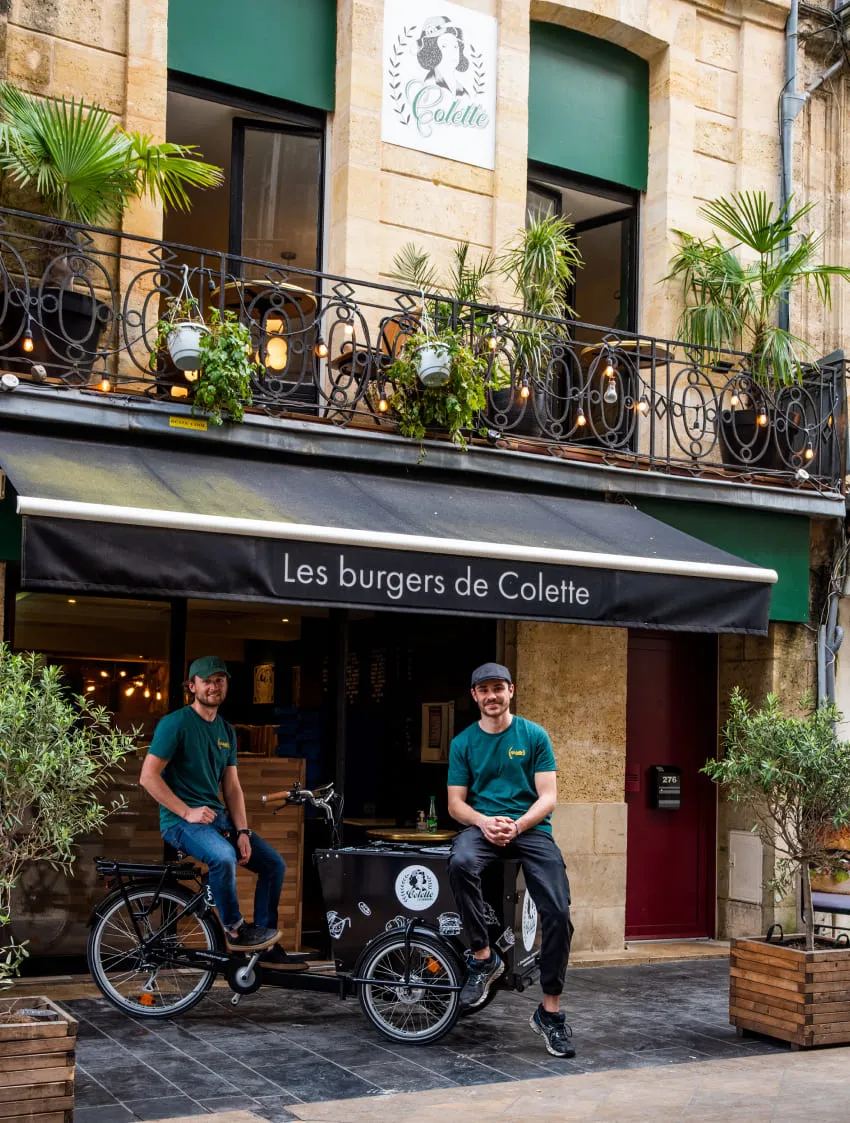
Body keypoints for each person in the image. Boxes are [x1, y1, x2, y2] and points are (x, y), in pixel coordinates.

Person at [447, 662, 575, 1058]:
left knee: (557, 912)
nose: (491, 696)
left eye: (498, 688)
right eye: (483, 690)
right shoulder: (463, 742)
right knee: (459, 862)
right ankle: (483, 957)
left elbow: (549, 797)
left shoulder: (533, 735)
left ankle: (549, 1011)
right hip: (483, 828)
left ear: (511, 691)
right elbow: (455, 804)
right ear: (474, 696)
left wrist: (516, 826)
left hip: (531, 830)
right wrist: (485, 823)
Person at [140, 655, 286, 954]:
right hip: (181, 823)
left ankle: (264, 944)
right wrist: (186, 811)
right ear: (192, 686)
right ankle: (234, 929)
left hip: (217, 820)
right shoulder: (176, 723)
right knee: (223, 857)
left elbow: (232, 787)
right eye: (206, 681)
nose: (213, 687)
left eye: (220, 681)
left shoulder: (226, 731)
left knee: (274, 865)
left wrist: (243, 831)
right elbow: (148, 777)